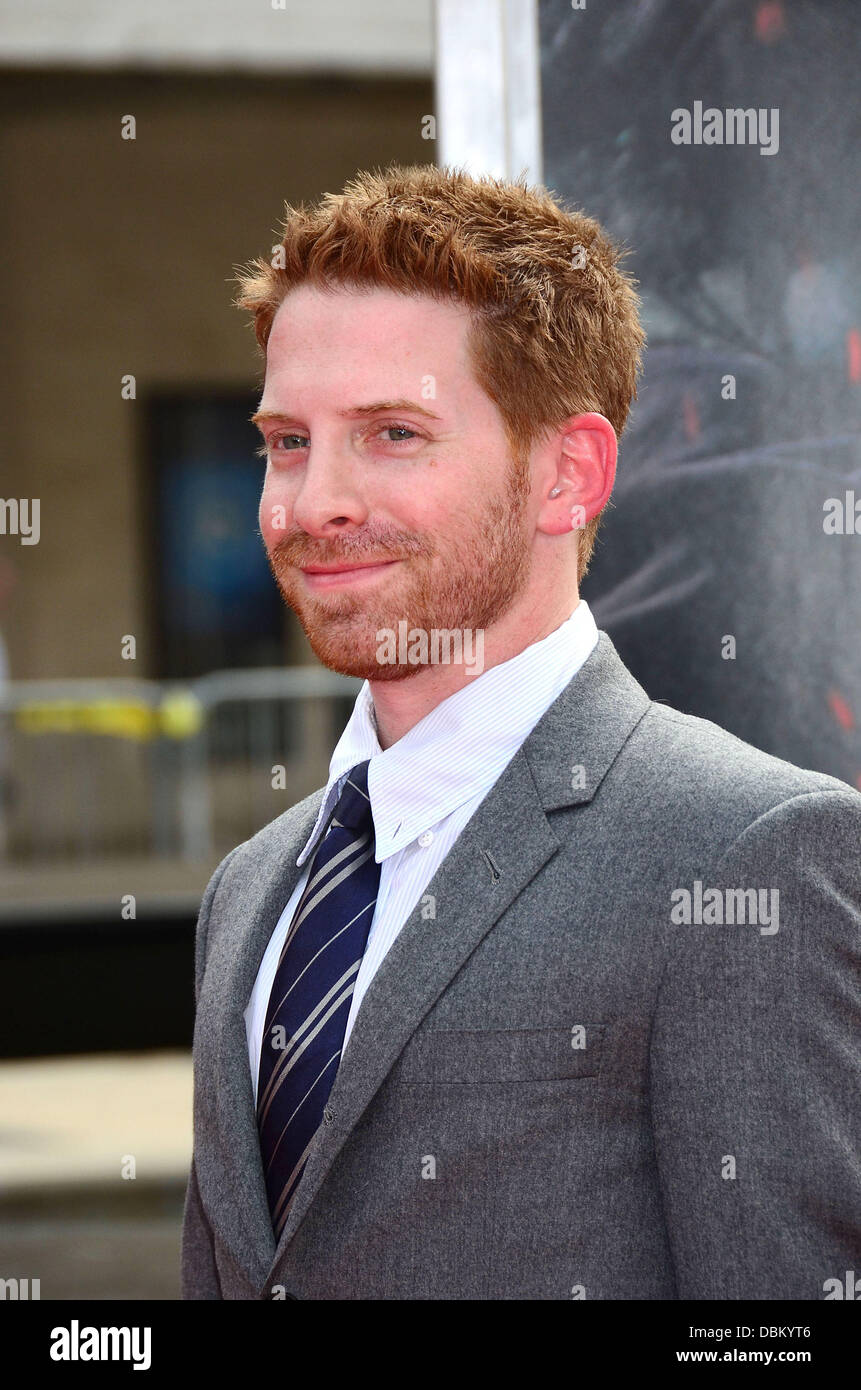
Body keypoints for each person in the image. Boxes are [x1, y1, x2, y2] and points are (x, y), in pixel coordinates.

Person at [181, 164, 860, 1300]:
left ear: (567, 474)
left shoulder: (751, 856)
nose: (314, 503)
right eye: (287, 440)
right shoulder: (250, 889)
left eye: (392, 433)